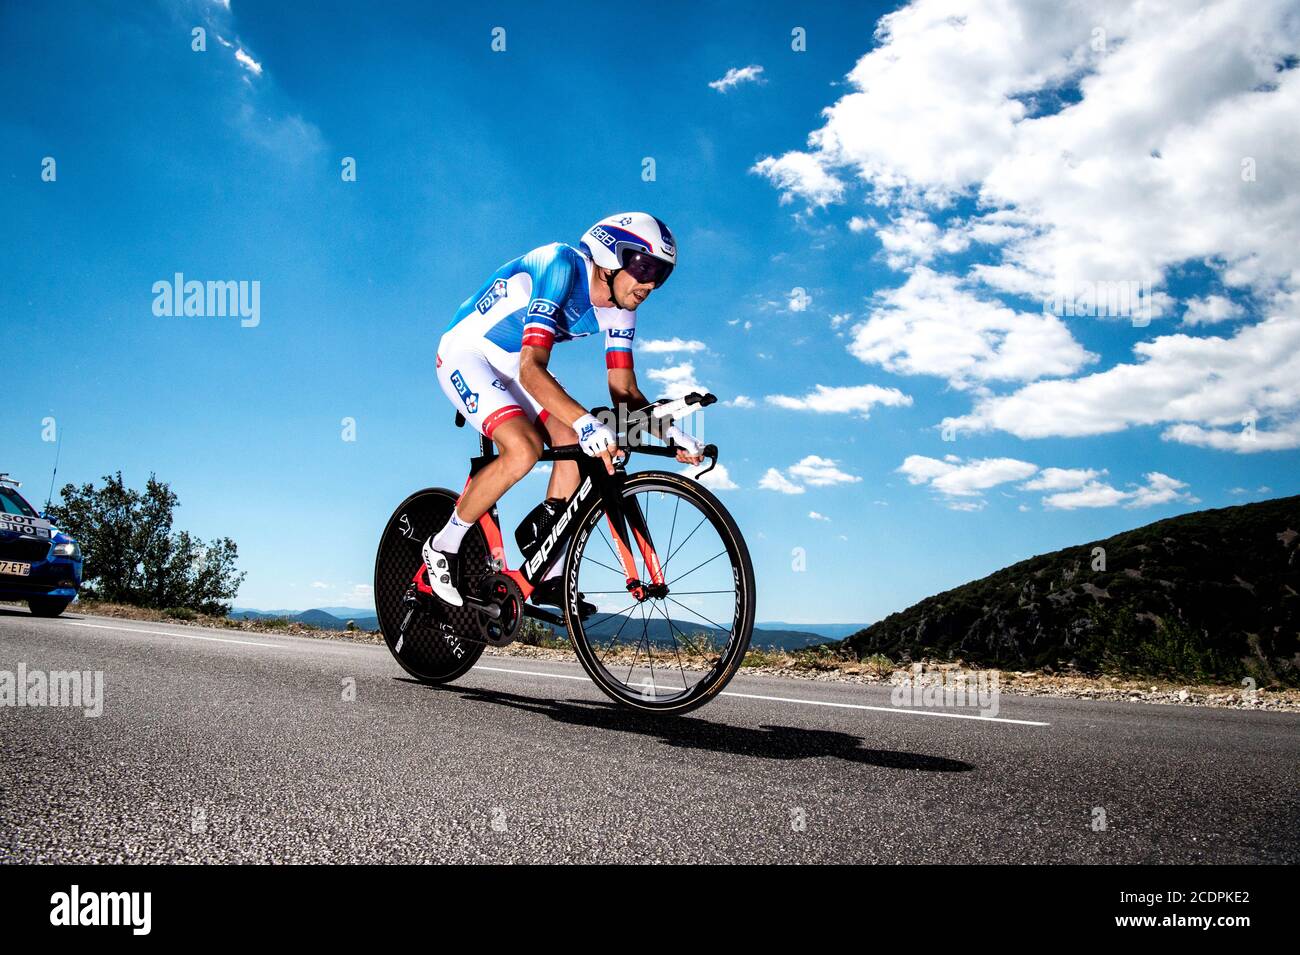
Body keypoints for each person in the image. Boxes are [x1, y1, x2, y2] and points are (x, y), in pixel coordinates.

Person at [425, 212, 705, 608]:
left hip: (516, 363)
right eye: (644, 266)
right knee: (524, 449)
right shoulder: (559, 265)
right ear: (610, 256)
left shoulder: (623, 310)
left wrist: (669, 431)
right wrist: (589, 422)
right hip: (468, 353)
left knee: (573, 439)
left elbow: (624, 390)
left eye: (661, 274)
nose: (649, 284)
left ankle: (547, 573)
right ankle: (442, 545)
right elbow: (531, 369)